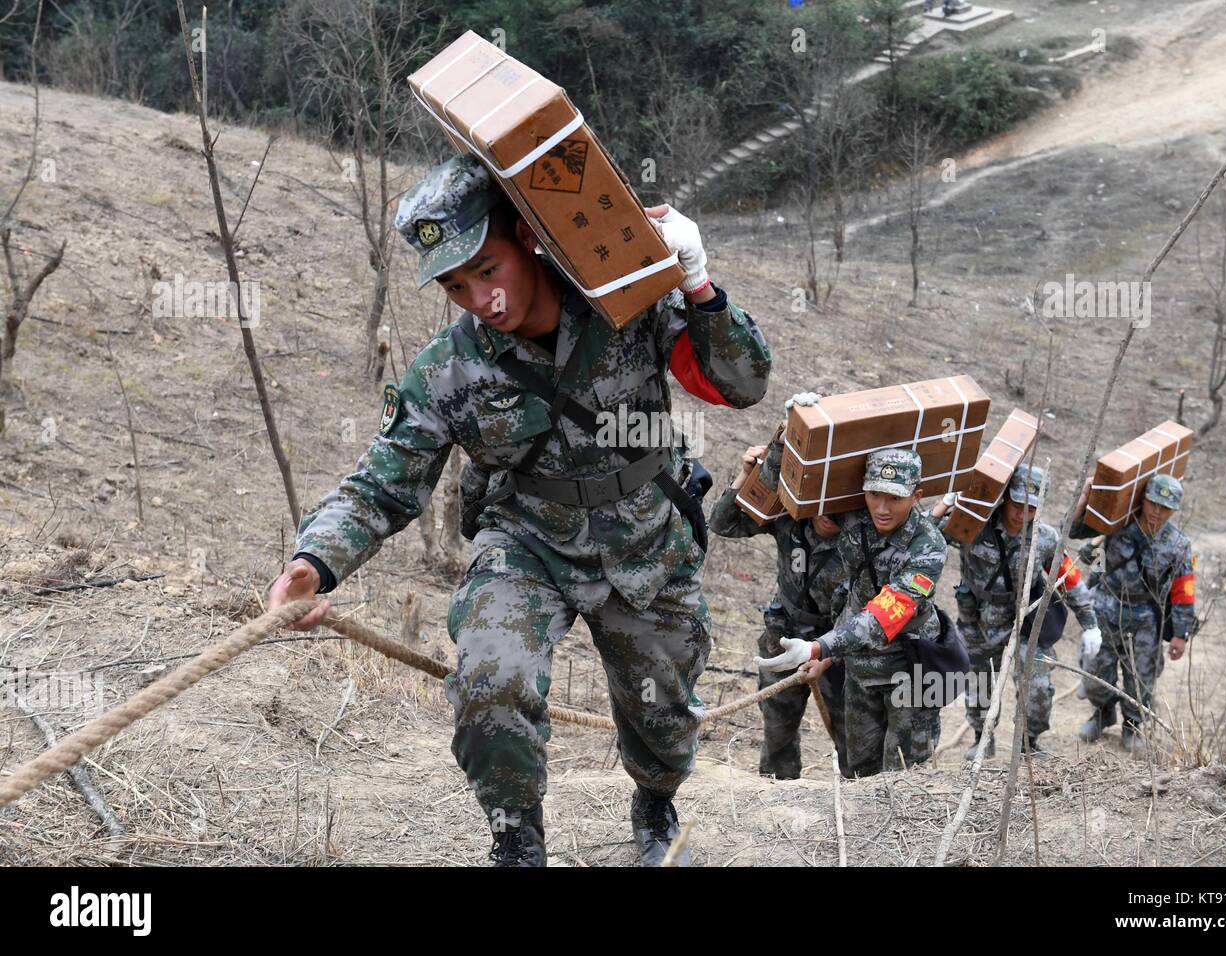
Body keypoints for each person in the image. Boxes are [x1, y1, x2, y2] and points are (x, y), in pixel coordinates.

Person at [265, 154, 772, 866]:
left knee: (663, 724)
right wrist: (313, 562)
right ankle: (516, 838)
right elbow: (381, 483)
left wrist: (697, 283)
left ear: (527, 239)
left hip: (647, 544)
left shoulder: (623, 302)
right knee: (490, 677)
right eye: (455, 283)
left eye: (488, 268)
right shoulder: (446, 370)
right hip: (529, 543)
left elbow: (743, 383)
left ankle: (655, 803)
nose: (479, 297)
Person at [756, 448, 948, 777]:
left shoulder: (928, 546)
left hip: (911, 670)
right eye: (874, 495)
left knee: (904, 774)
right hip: (862, 669)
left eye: (894, 499)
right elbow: (789, 489)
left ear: (916, 497)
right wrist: (785, 439)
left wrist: (820, 647)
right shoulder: (855, 517)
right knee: (859, 772)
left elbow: (885, 613)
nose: (882, 509)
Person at [708, 435, 856, 778]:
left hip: (844, 644)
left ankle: (854, 804)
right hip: (785, 636)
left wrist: (827, 656)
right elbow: (723, 523)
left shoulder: (862, 533)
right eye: (824, 504)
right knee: (778, 731)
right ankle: (779, 798)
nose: (830, 515)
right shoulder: (790, 515)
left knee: (853, 737)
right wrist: (746, 475)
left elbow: (869, 608)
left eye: (839, 507)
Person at [931, 464, 1100, 758]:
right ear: (1005, 497)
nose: (1022, 513)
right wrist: (948, 503)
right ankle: (981, 738)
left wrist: (1090, 623)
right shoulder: (974, 525)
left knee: (1038, 685)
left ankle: (1029, 742)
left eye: (1032, 506)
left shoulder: (1045, 538)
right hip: (977, 623)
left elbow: (1068, 580)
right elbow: (926, 538)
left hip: (1023, 625)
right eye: (1018, 503)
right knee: (978, 683)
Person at [1069, 473, 1196, 754]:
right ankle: (1102, 712)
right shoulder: (1117, 523)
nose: (1157, 512)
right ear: (1143, 500)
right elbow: (1075, 529)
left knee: (1141, 679)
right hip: (1105, 605)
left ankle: (1133, 723)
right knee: (1093, 674)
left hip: (1146, 616)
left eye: (1165, 508)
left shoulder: (1178, 544)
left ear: (1174, 510)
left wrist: (1181, 634)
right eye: (1153, 504)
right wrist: (1086, 494)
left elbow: (1183, 589)